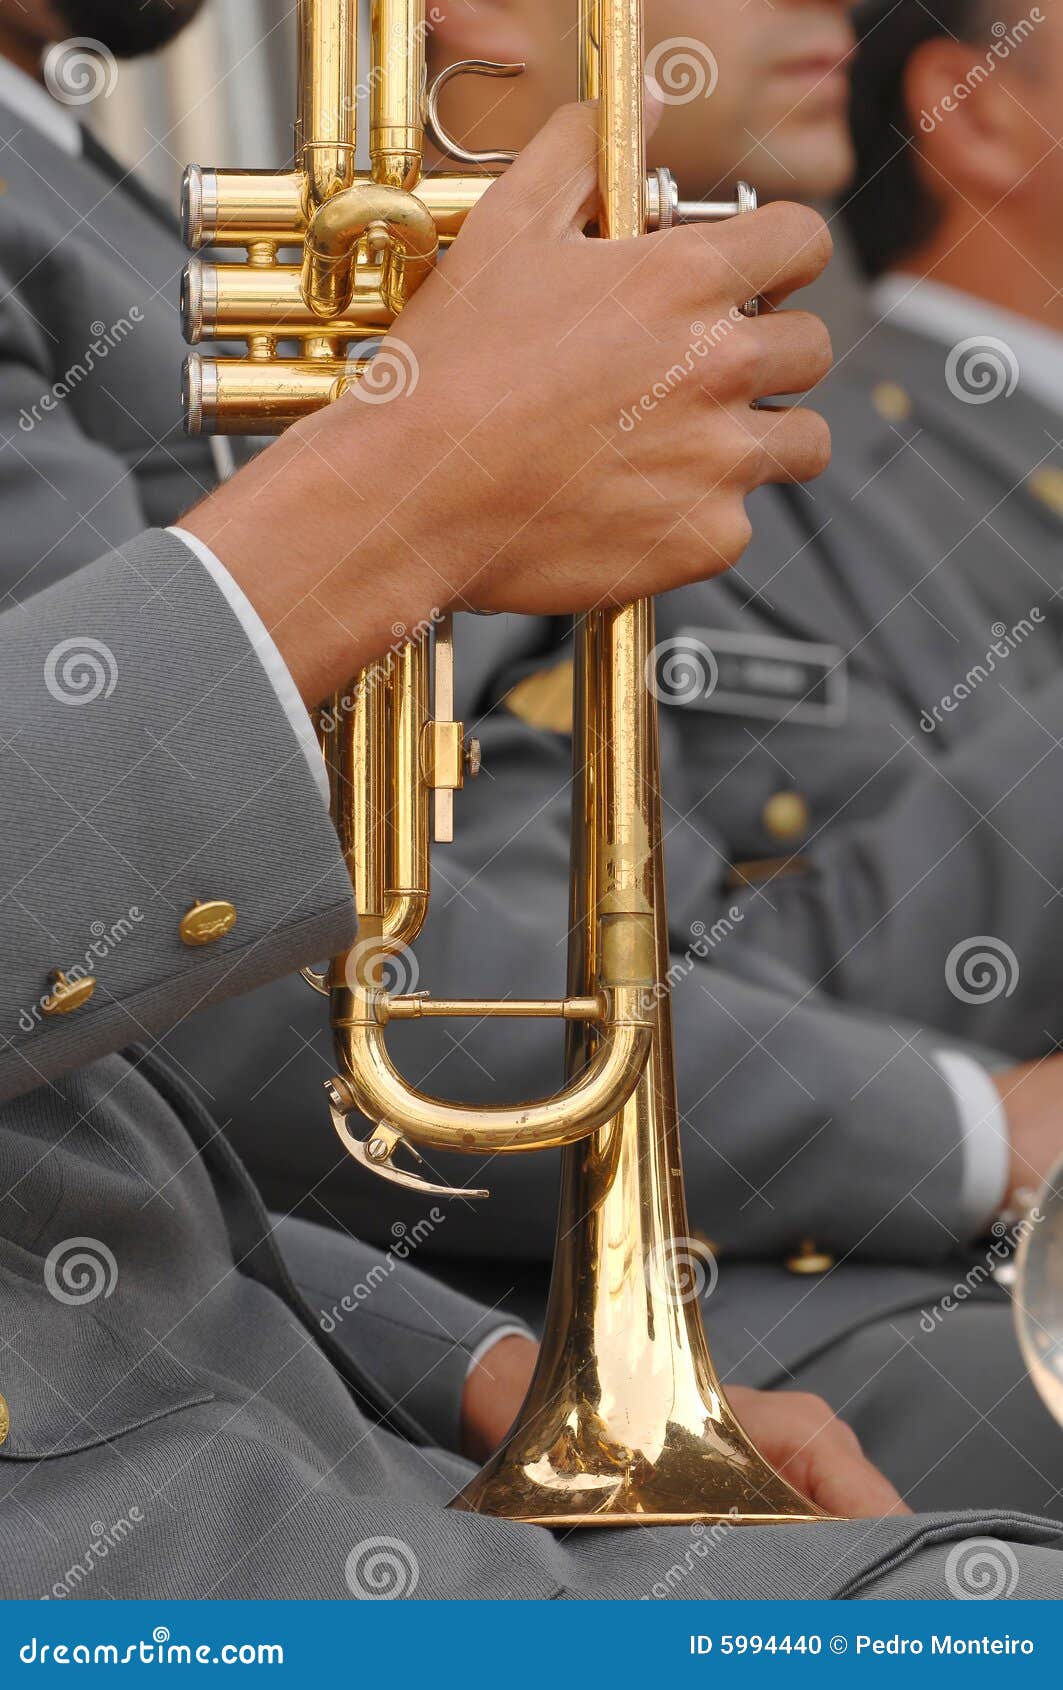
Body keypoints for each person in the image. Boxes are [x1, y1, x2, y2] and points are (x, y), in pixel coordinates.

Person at [5, 97, 1063, 1593]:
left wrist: (461, 1358)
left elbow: (101, 1070)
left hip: (336, 1385)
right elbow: (203, 970)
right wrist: (400, 483)